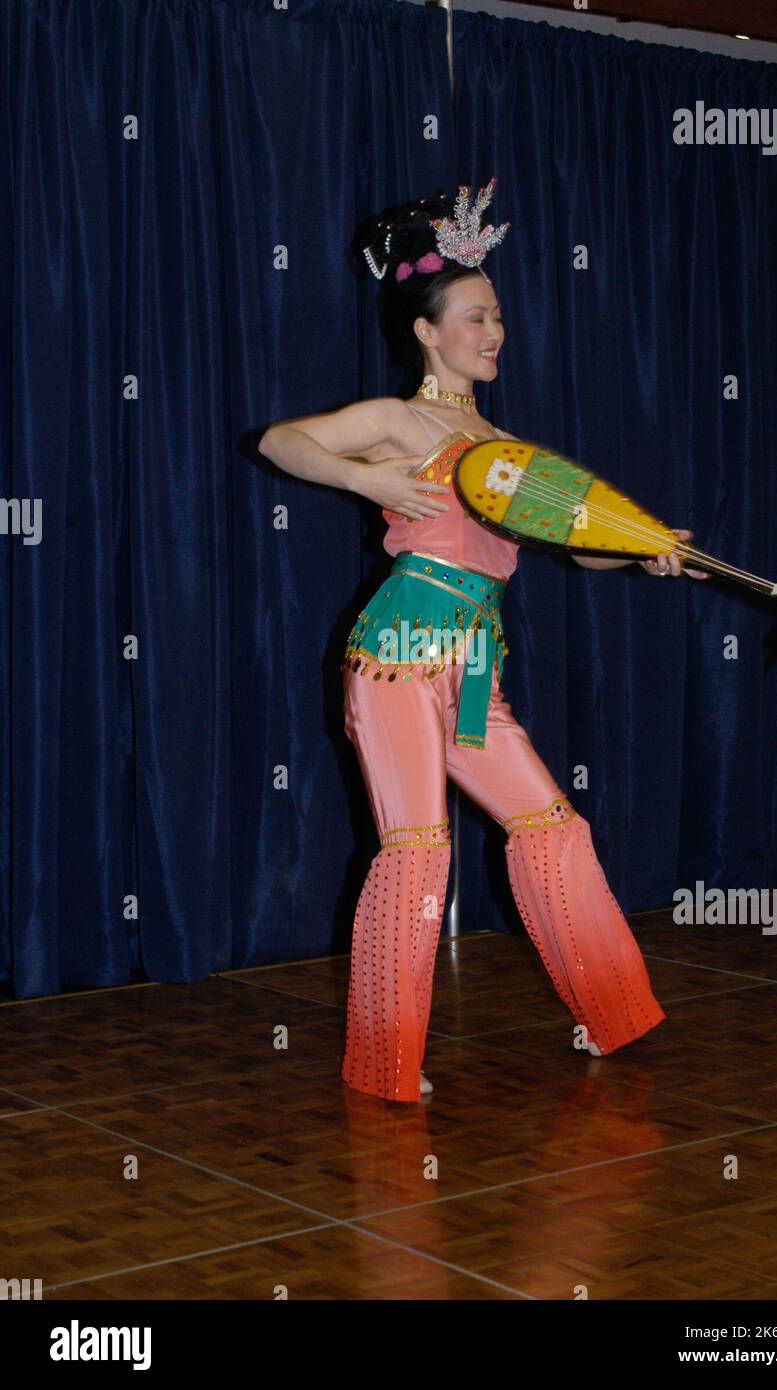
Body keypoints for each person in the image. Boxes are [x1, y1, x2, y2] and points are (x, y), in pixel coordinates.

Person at [259, 178, 708, 1103]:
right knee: (418, 849)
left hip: (473, 669)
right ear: (426, 330)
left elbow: (575, 554)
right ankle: (384, 1060)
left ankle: (611, 1011)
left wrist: (645, 553)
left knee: (552, 826)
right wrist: (368, 482)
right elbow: (278, 443)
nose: (493, 331)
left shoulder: (503, 447)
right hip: (396, 655)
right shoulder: (401, 422)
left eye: (497, 315)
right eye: (474, 316)